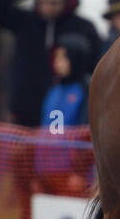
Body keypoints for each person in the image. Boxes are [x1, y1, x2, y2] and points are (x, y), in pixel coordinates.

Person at [0, 0, 103, 127]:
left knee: (57, 149)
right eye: (43, 1)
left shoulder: (83, 27)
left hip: (65, 108)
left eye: (54, 3)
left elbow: (97, 62)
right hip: (24, 108)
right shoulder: (25, 20)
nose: (48, 8)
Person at [34, 32, 94, 194]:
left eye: (63, 58)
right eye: (56, 57)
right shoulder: (53, 90)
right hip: (46, 171)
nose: (57, 63)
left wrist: (80, 173)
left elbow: (87, 136)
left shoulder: (85, 90)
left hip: (71, 174)